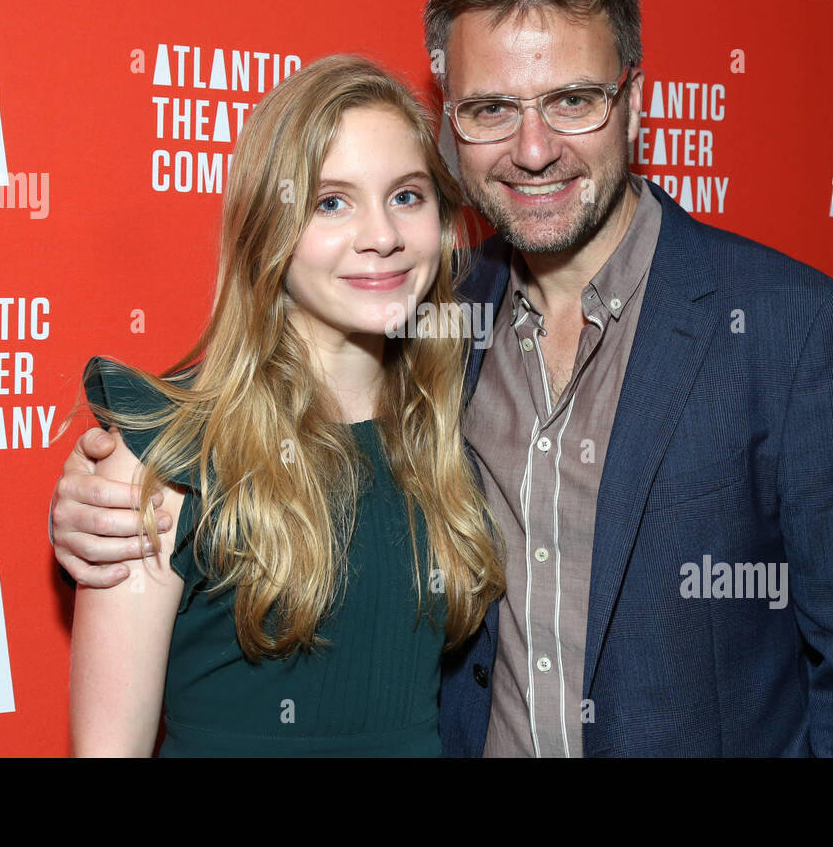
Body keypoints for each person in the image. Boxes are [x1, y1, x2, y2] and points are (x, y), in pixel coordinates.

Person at [53, 0, 833, 757]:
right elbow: (245, 434)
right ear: (452, 125)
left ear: (635, 98)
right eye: (490, 110)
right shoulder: (437, 329)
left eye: (573, 100)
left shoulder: (795, 331)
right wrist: (112, 490)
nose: (535, 147)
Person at [65, 53, 504, 756]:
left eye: (407, 195)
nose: (382, 236)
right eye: (331, 202)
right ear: (269, 229)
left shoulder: (451, 433)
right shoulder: (167, 457)